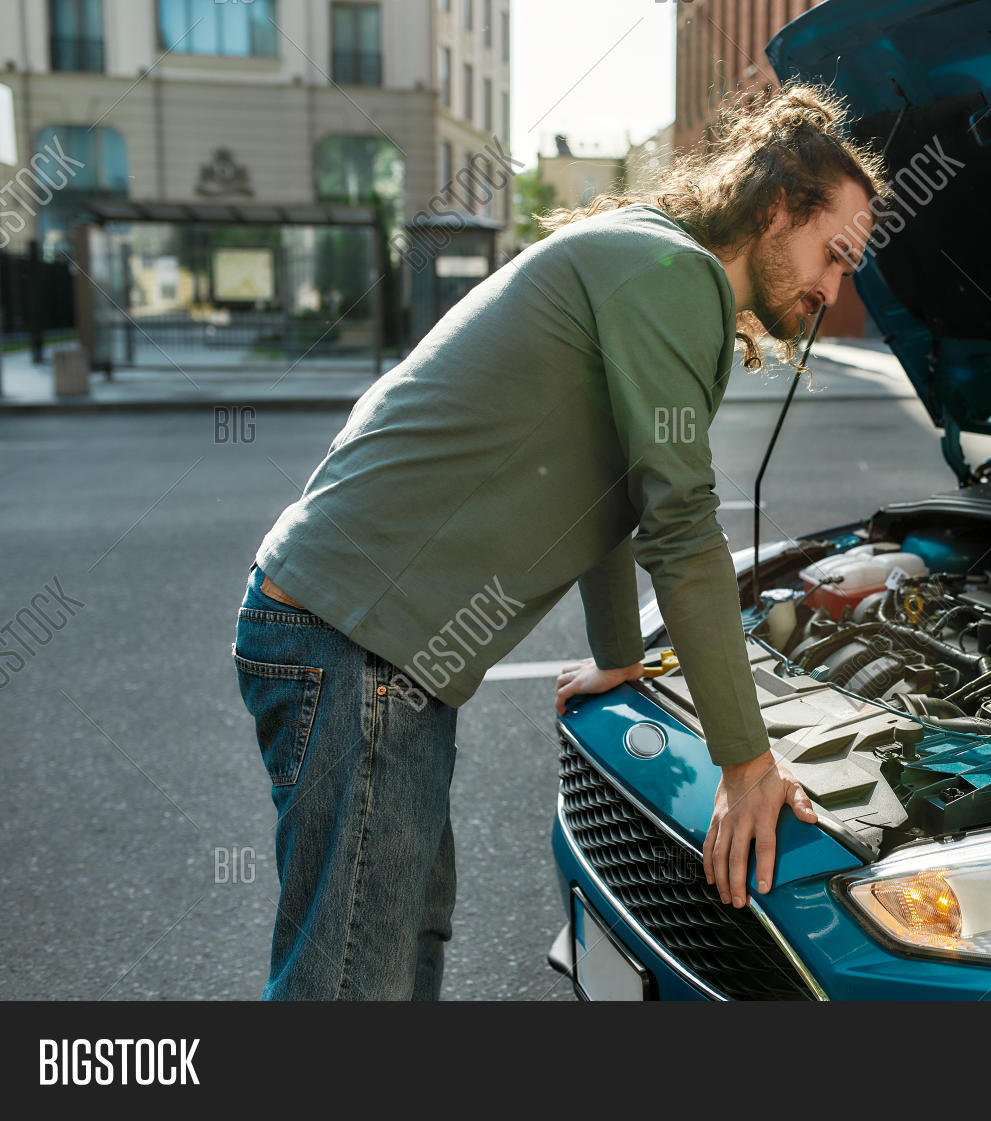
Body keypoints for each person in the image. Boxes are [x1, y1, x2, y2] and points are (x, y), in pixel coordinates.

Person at [232, 83, 886, 999]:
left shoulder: (650, 256)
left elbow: (613, 489)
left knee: (402, 942)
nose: (832, 291)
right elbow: (680, 524)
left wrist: (619, 655)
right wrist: (747, 766)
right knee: (354, 984)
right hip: (354, 643)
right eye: (835, 255)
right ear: (776, 208)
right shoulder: (674, 274)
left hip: (360, 638)